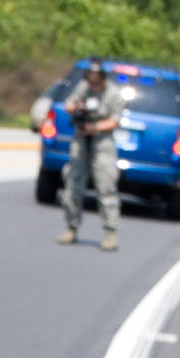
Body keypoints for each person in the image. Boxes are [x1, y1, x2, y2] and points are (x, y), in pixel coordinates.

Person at [58, 61, 124, 251]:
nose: (93, 84)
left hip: (102, 141)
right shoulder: (83, 88)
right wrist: (75, 107)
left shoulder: (112, 93)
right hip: (80, 138)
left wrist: (94, 127)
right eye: (90, 79)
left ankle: (110, 232)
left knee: (106, 185)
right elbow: (68, 104)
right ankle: (71, 227)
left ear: (102, 78)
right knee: (72, 183)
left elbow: (114, 121)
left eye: (97, 80)